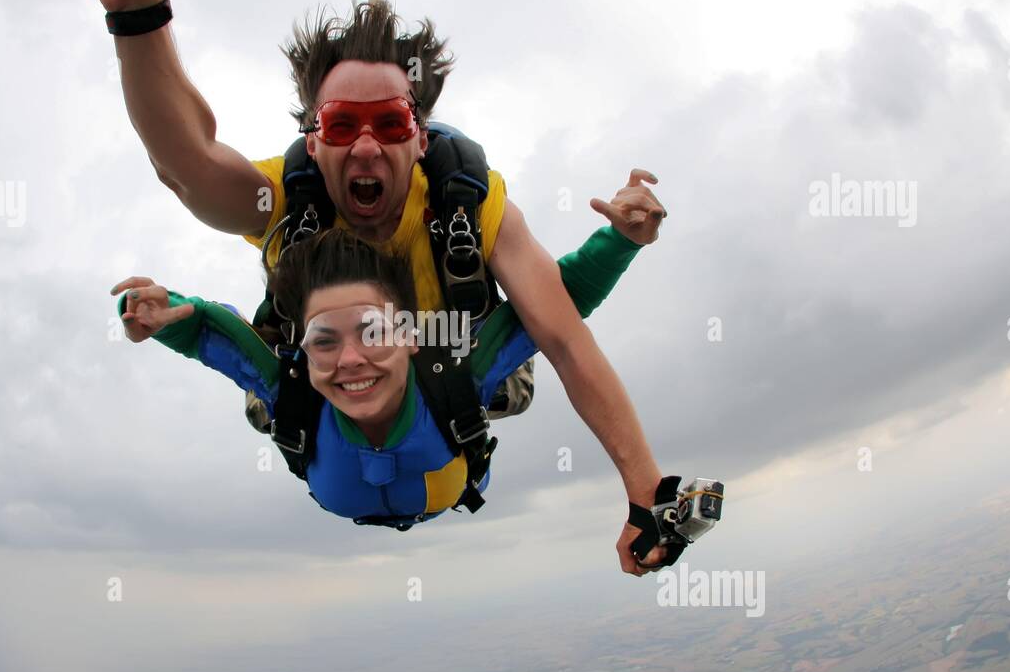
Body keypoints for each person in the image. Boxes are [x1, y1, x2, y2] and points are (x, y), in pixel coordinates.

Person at [74, 0, 675, 574]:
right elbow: (185, 164)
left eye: (389, 124)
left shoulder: (468, 202)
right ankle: (308, 366)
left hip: (454, 358)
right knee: (285, 380)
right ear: (313, 139)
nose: (364, 145)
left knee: (521, 331)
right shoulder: (283, 197)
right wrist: (138, 15)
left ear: (420, 139)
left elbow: (563, 334)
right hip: (318, 382)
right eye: (341, 125)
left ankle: (444, 377)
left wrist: (646, 492)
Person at [112, 214, 671, 573]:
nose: (351, 357)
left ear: (408, 334)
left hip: (438, 402)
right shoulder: (296, 392)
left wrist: (622, 238)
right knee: (267, 390)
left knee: (505, 385)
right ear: (305, 349)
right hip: (380, 437)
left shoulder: (457, 378)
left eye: (373, 331)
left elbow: (556, 300)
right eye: (325, 340)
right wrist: (167, 315)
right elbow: (217, 336)